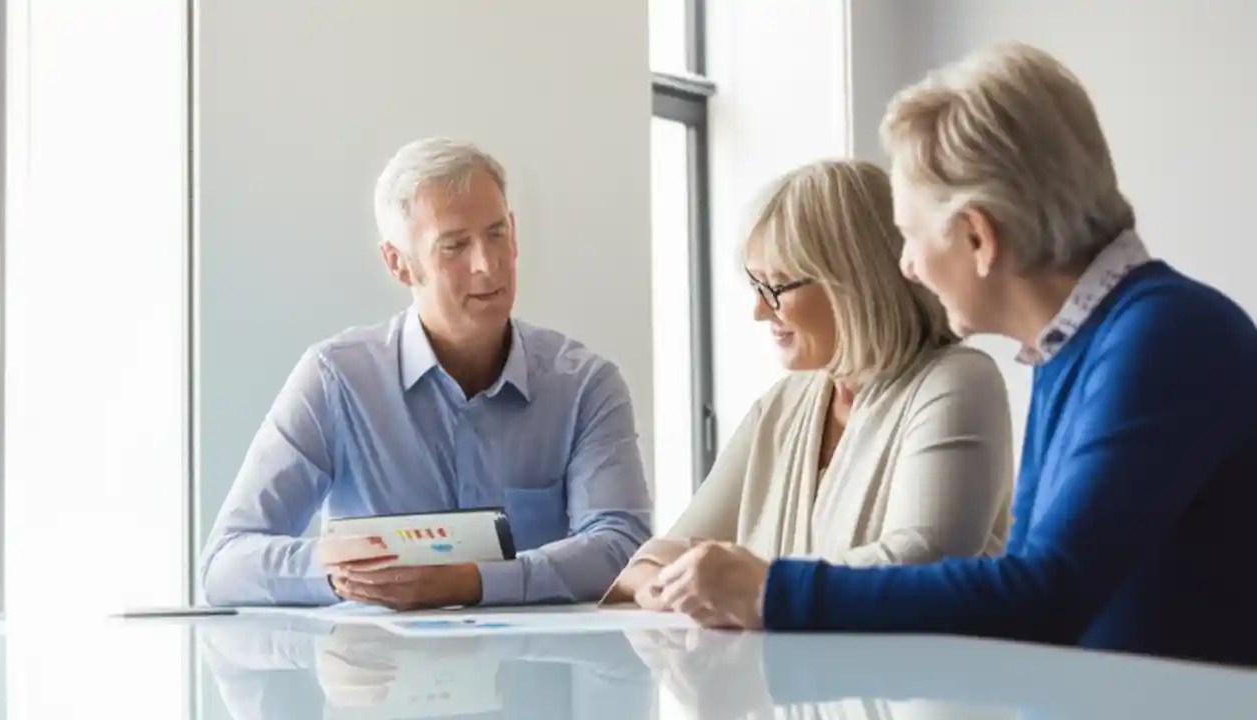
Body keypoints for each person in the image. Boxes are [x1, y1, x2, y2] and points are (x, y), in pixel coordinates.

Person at [650, 44, 1257, 667]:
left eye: (910, 237)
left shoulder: (1162, 338)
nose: (907, 266)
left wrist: (773, 592)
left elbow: (1043, 595)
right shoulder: (1086, 345)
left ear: (977, 237)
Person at [200, 138, 652, 609]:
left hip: (539, 672)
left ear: (515, 234)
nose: (487, 263)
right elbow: (225, 565)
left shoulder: (585, 386)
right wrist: (337, 571)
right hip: (382, 673)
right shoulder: (336, 379)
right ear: (398, 262)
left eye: (497, 234)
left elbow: (623, 546)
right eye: (455, 245)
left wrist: (470, 583)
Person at [603, 160, 1013, 607]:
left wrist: (755, 587)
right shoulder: (782, 406)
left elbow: (922, 563)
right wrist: (661, 584)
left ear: (856, 284)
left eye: (777, 285)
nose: (760, 310)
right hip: (794, 676)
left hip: (916, 677)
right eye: (756, 284)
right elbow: (661, 556)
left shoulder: (957, 382)